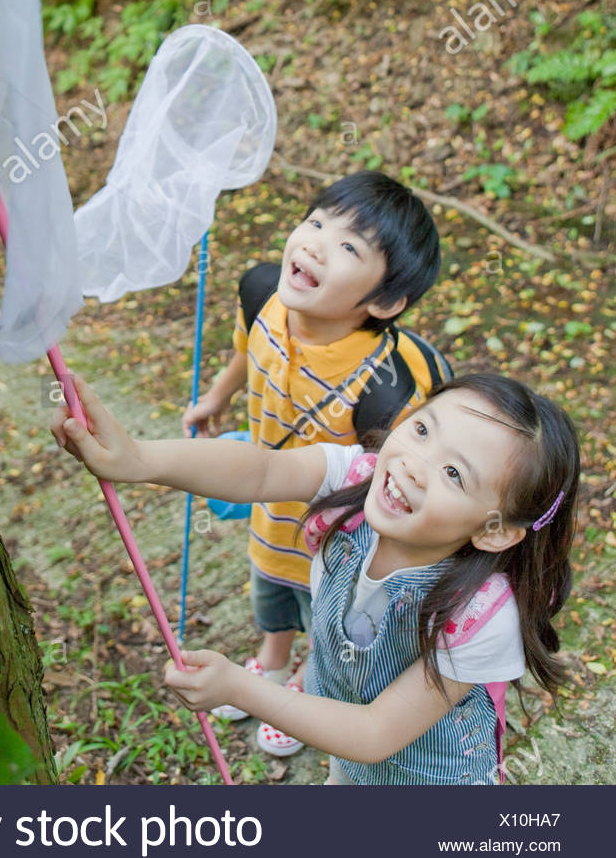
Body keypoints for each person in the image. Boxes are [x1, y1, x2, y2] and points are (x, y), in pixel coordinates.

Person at [52, 371, 579, 785]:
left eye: (454, 474)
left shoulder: (481, 616)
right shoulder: (358, 477)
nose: (414, 464)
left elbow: (375, 733)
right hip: (342, 746)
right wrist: (141, 459)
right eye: (422, 429)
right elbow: (258, 470)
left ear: (494, 532)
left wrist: (241, 688)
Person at [181, 171, 442, 752]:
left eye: (348, 247)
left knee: (323, 609)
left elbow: (396, 482)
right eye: (317, 222)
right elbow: (246, 346)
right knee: (267, 588)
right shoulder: (264, 294)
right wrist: (217, 397)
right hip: (268, 501)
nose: (314, 243)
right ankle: (271, 662)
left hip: (336, 530)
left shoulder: (389, 388)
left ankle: (305, 687)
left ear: (385, 301)